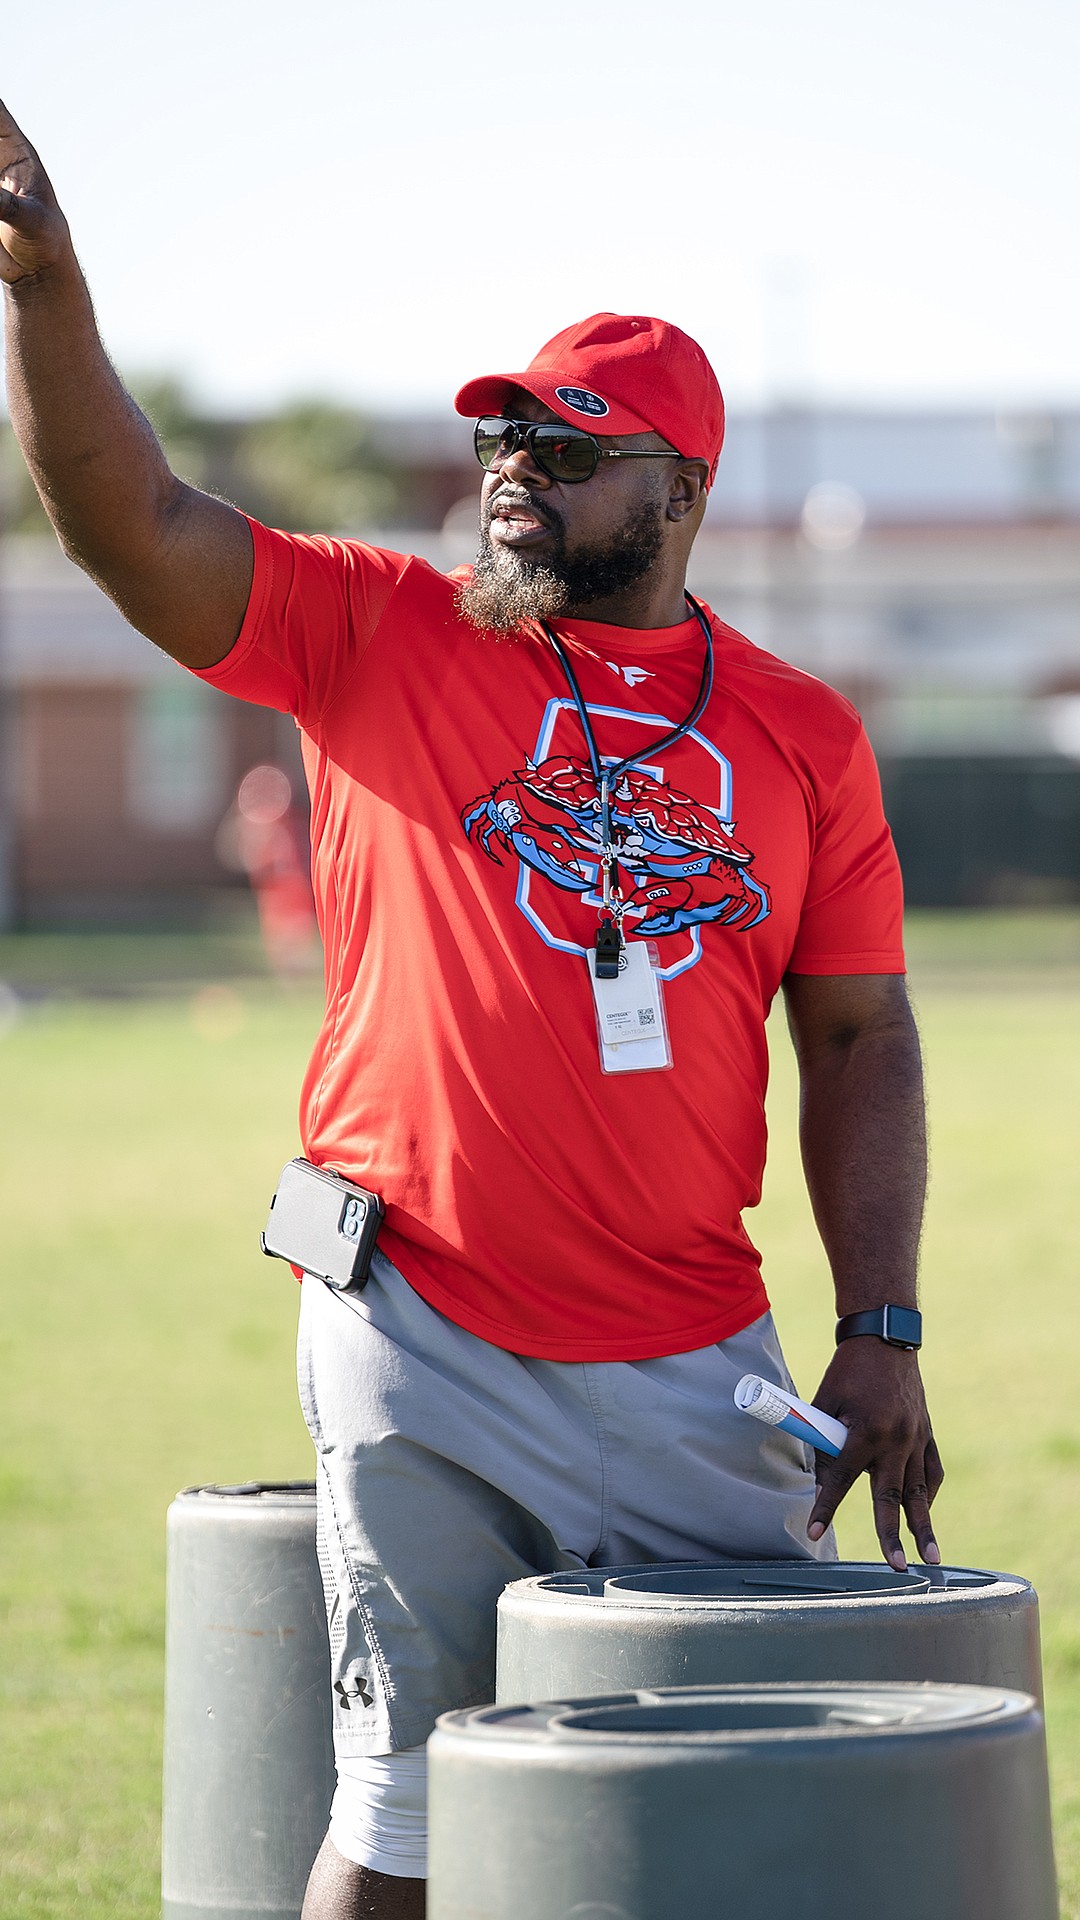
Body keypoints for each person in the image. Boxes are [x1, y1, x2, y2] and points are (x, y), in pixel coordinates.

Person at [1, 101, 942, 1920]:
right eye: (504, 435)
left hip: (693, 1353)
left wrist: (883, 1320)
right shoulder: (380, 631)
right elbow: (132, 522)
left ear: (680, 491)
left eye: (570, 446)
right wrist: (48, 299)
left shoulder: (802, 734)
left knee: (720, 1814)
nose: (516, 465)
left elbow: (860, 1037)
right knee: (404, 1802)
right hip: (412, 1317)